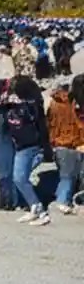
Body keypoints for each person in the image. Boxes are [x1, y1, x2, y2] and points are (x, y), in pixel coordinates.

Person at [0, 75, 52, 225]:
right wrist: (2, 102)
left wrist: (46, 148)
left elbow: (39, 122)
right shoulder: (8, 105)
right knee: (19, 178)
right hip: (20, 146)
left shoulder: (32, 104)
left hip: (31, 145)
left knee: (19, 178)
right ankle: (34, 206)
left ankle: (41, 211)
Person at [46, 77, 84, 215]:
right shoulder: (76, 104)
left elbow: (50, 122)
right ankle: (65, 201)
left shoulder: (55, 102)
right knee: (73, 176)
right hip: (76, 142)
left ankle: (62, 199)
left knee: (66, 175)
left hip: (59, 142)